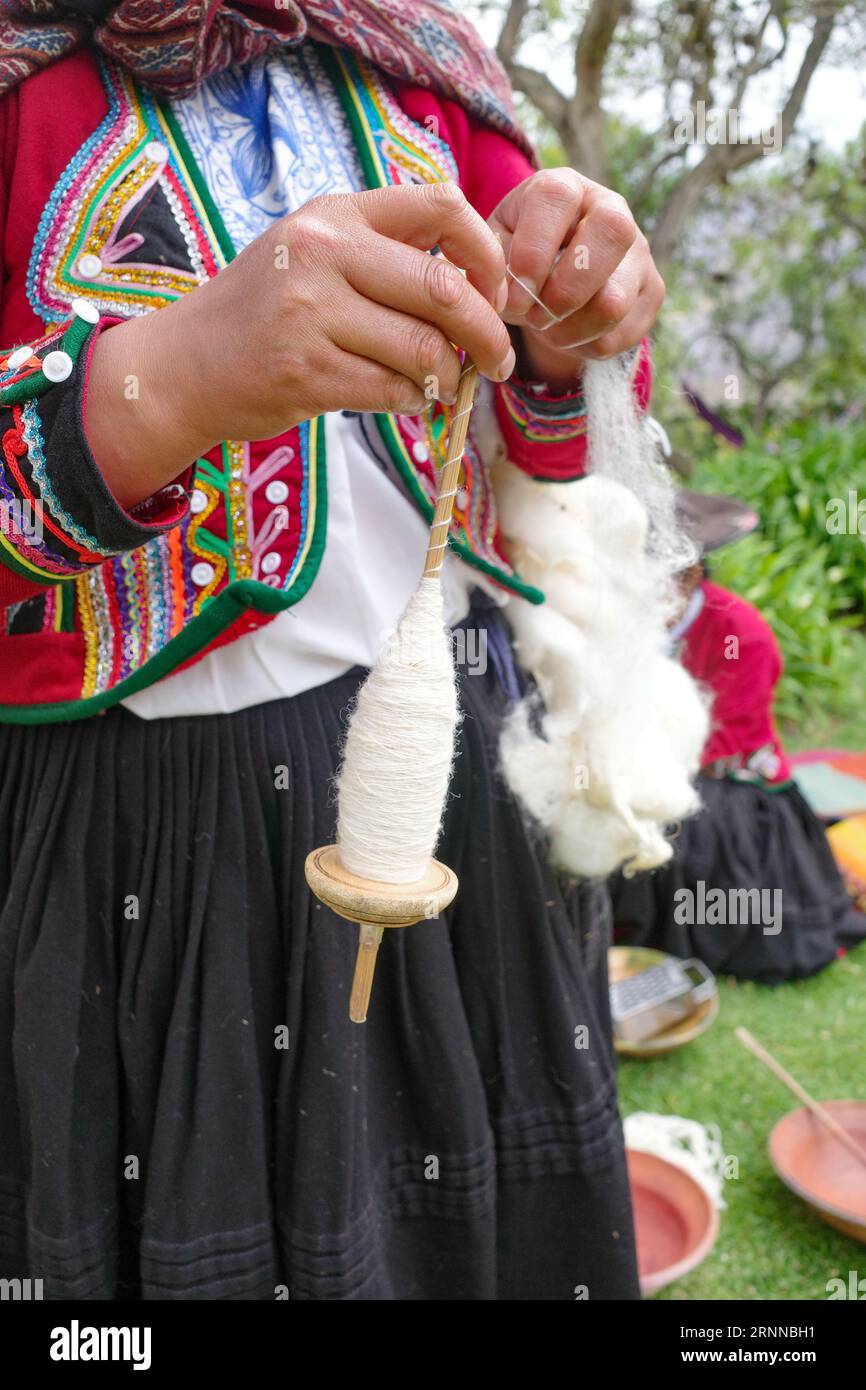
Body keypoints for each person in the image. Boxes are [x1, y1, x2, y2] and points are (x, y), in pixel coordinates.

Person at [0, 1, 665, 1299]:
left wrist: (572, 324)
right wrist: (172, 381)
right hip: (152, 841)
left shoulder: (421, 68)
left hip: (458, 773)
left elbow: (546, 433)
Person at [611, 492, 866, 984]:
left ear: (688, 578)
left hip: (731, 784)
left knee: (685, 841)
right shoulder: (625, 622)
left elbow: (718, 743)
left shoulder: (740, 634)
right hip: (652, 767)